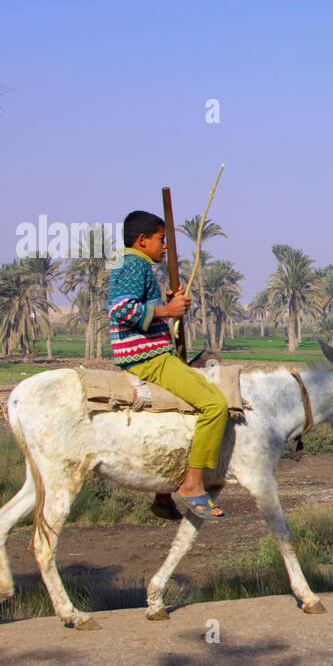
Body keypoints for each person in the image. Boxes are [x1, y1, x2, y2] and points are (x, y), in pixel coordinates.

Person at [108, 210, 229, 521]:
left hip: (147, 355)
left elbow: (136, 302)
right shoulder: (135, 263)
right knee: (215, 404)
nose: (165, 247)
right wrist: (167, 308)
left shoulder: (132, 263)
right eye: (162, 240)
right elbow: (121, 308)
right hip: (149, 358)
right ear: (142, 240)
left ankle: (162, 495)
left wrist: (165, 301)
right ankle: (191, 485)